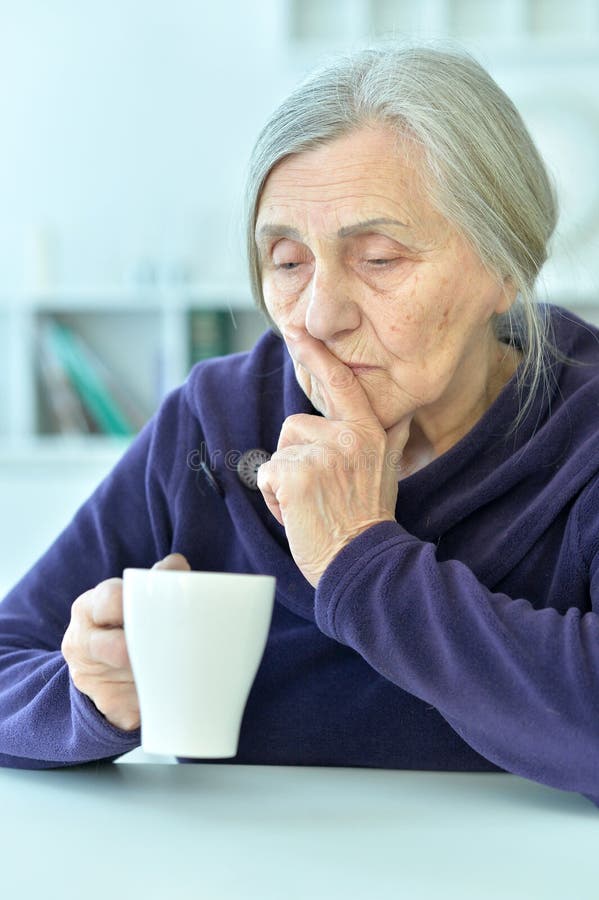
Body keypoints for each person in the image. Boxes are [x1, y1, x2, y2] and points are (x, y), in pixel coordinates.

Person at [1, 44, 599, 807]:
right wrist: (87, 695)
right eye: (286, 263)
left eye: (379, 258)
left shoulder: (580, 433)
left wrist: (361, 560)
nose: (318, 315)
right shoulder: (216, 426)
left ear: (504, 265)